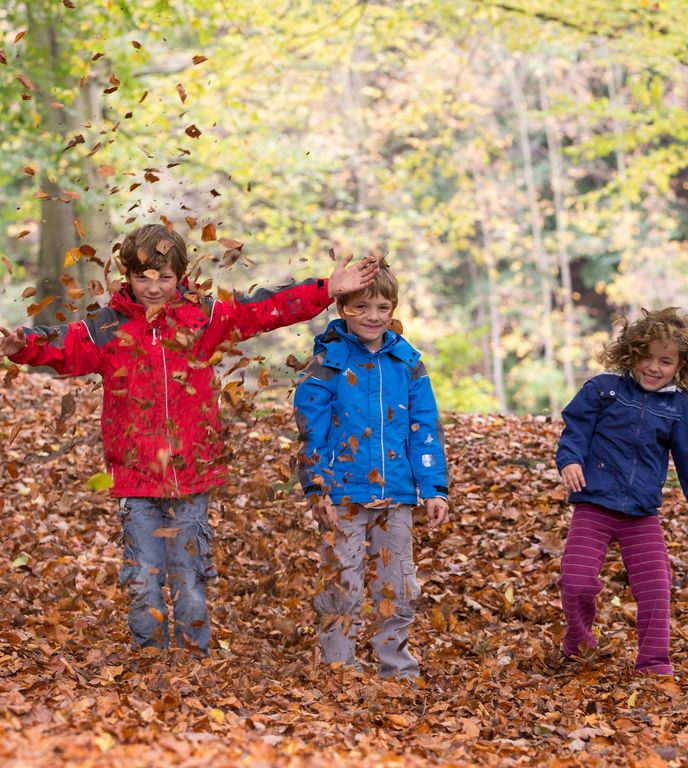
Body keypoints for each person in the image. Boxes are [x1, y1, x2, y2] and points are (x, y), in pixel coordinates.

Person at [0, 223, 378, 657]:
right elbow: (64, 347)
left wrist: (327, 288)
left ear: (180, 275)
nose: (154, 287)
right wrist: (24, 345)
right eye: (143, 277)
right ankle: (150, 658)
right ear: (128, 275)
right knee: (142, 580)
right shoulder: (108, 326)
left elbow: (260, 310)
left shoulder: (205, 317)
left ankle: (194, 660)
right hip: (136, 476)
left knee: (189, 580)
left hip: (192, 473)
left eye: (164, 277)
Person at [293, 262, 449, 680]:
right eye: (361, 306)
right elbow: (312, 429)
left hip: (395, 496)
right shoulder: (328, 360)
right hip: (342, 497)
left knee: (398, 584)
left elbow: (424, 430)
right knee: (342, 582)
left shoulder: (407, 361)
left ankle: (396, 667)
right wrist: (317, 486)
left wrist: (434, 488)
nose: (373, 316)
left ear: (394, 308)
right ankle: (338, 665)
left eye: (382, 307)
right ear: (343, 307)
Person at [555, 306, 688, 675]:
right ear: (632, 355)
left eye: (665, 361)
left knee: (656, 588)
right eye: (647, 358)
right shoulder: (604, 389)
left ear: (678, 366)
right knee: (576, 582)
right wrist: (570, 459)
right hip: (595, 505)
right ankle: (578, 642)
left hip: (641, 515)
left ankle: (653, 663)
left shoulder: (677, 406)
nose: (654, 367)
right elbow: (576, 428)